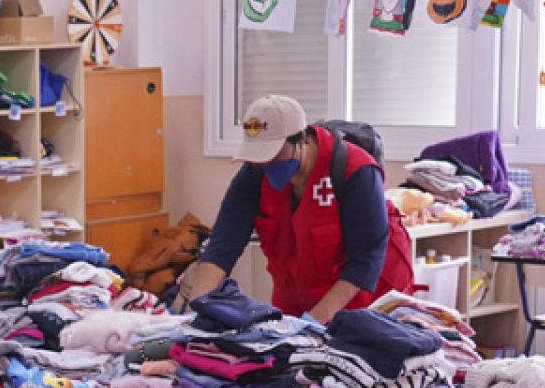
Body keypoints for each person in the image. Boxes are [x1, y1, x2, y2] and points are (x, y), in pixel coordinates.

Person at [175, 94, 414, 323]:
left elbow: (365, 262)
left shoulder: (355, 171)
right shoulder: (255, 173)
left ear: (302, 139)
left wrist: (310, 324)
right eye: (259, 155)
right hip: (296, 295)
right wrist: (198, 310)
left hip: (367, 296)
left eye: (273, 153)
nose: (266, 163)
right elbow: (222, 248)